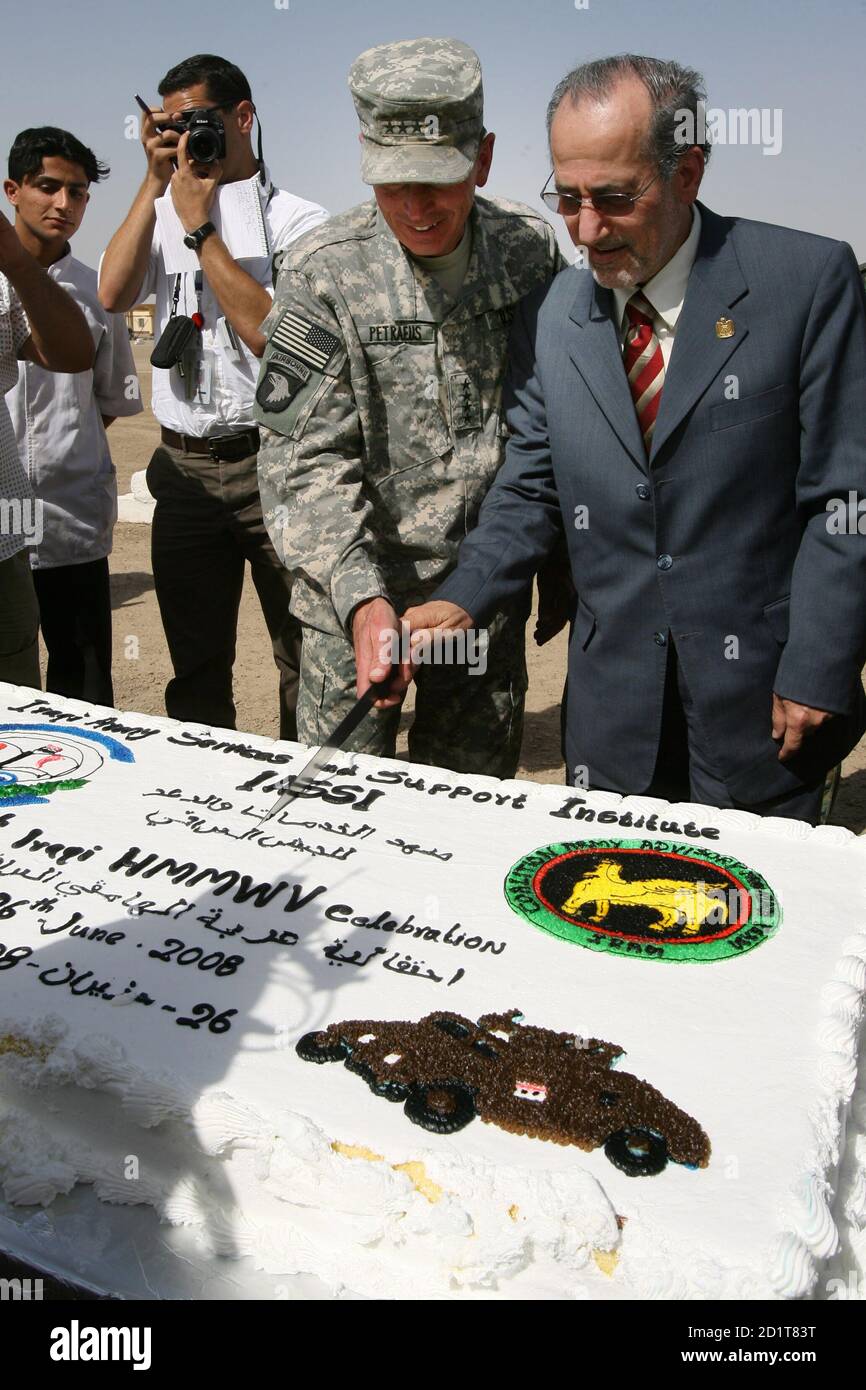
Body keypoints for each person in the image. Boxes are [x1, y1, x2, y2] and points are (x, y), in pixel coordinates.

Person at [403, 54, 866, 824]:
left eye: (615, 198)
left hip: (765, 708)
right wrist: (461, 598)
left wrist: (819, 662)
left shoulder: (807, 283)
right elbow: (531, 486)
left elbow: (844, 501)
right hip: (612, 722)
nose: (586, 230)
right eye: (569, 199)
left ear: (687, 171)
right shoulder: (552, 315)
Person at [254, 37, 567, 776]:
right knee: (340, 810)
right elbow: (302, 462)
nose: (416, 208)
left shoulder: (529, 254)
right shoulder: (325, 271)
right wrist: (362, 602)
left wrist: (557, 567)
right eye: (393, 185)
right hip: (356, 599)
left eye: (439, 183)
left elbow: (554, 428)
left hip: (480, 597)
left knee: (467, 808)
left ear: (483, 160)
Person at [99, 53, 328, 737]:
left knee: (304, 661)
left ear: (243, 118)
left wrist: (201, 231)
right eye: (169, 126)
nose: (183, 139)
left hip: (276, 469)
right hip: (186, 472)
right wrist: (152, 183)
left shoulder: (299, 221)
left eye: (196, 122)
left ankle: (305, 804)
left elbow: (276, 341)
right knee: (195, 670)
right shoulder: (162, 209)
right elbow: (113, 294)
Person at [5, 127, 142, 706]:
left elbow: (111, 400)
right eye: (48, 187)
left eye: (79, 193)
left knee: (81, 685)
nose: (64, 204)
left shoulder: (98, 292)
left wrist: (66, 452)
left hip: (71, 520)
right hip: (1, 524)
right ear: (12, 189)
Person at [0, 209, 93, 689]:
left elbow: (74, 353)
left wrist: (15, 261)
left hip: (1, 544)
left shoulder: (6, 279)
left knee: (15, 721)